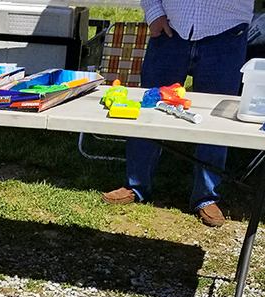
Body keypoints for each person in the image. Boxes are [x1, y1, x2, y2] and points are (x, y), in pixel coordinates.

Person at [103, 0, 253, 227]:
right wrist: (154, 13)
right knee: (149, 108)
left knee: (215, 118)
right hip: (169, 30)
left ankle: (206, 196)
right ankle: (135, 185)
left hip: (226, 32)